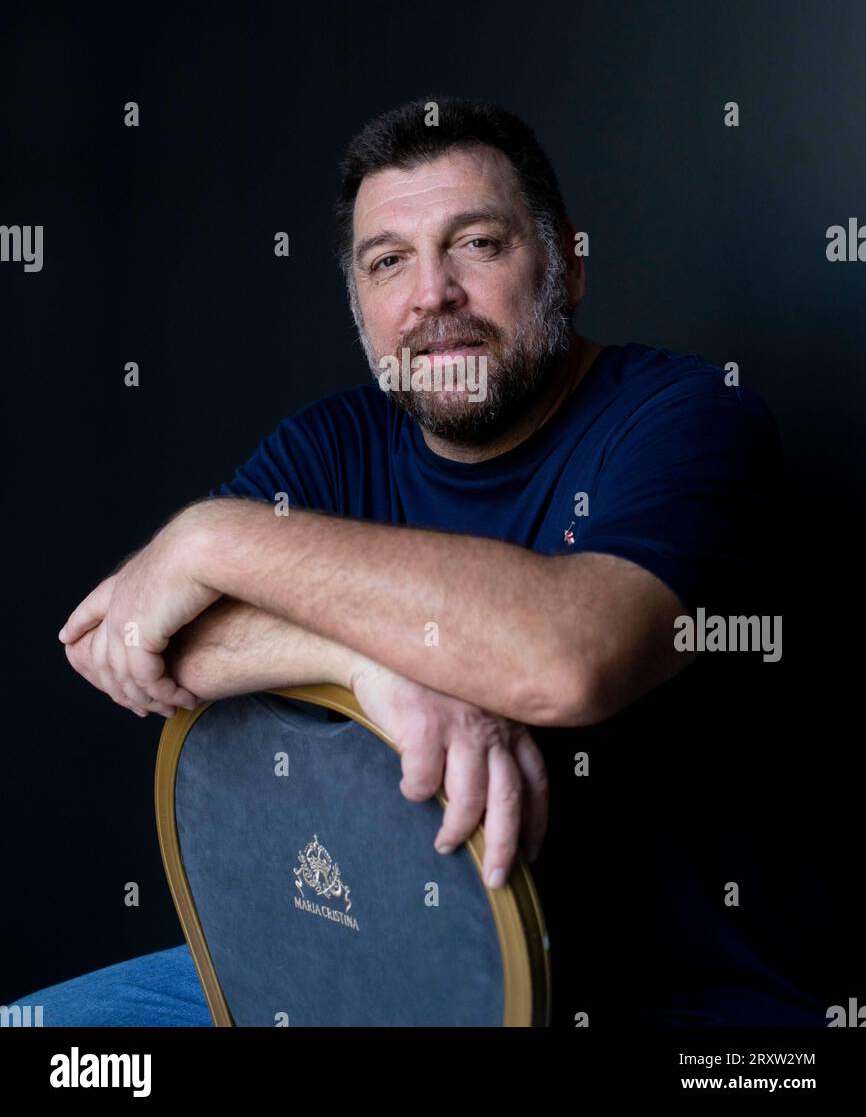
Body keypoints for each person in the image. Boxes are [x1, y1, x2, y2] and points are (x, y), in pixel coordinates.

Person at [8, 95, 828, 1027]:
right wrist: (366, 663)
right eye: (388, 261)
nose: (431, 294)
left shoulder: (688, 418)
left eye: (477, 244)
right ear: (360, 301)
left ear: (569, 265)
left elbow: (568, 661)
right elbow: (122, 635)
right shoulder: (331, 443)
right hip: (364, 970)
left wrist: (211, 539)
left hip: (662, 1005)